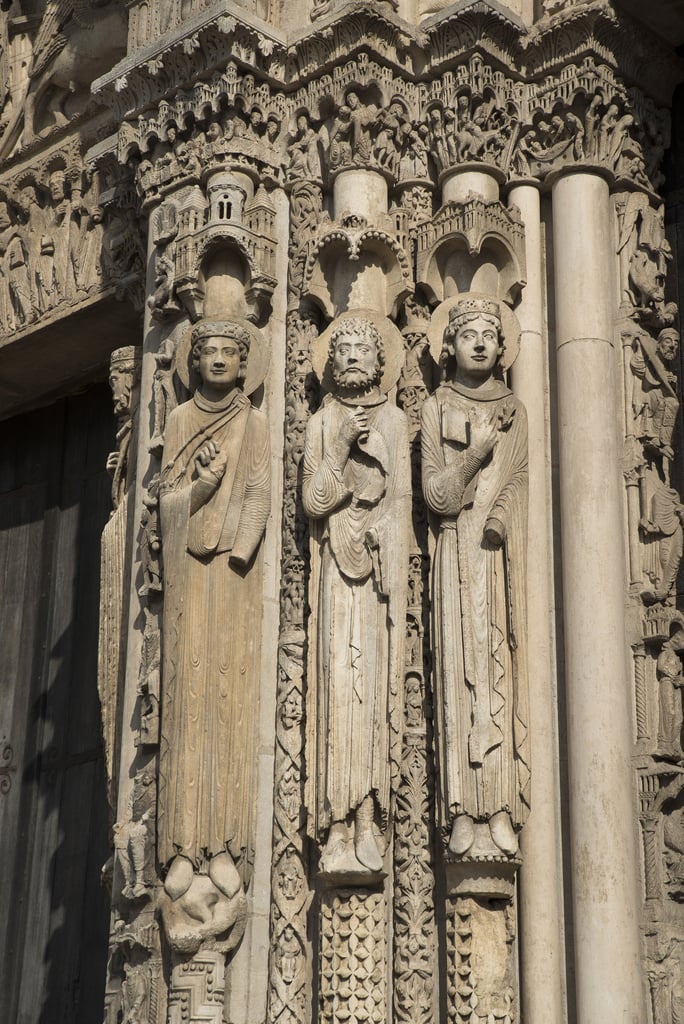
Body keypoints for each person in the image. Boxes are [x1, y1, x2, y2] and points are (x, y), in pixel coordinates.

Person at [158, 319, 270, 896]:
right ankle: (180, 848)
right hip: (188, 578)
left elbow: (258, 491)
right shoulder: (179, 421)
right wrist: (200, 489)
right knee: (186, 703)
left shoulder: (253, 424)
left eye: (231, 350)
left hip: (233, 579)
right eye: (209, 351)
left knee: (227, 705)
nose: (220, 359)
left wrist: (241, 553)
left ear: (245, 363)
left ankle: (225, 844)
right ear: (194, 361)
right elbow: (163, 505)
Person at [421, 296, 529, 858]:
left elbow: (519, 480)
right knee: (461, 675)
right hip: (453, 555)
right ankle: (463, 809)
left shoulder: (516, 411)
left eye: (490, 332)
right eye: (468, 335)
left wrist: (503, 518)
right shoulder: (435, 408)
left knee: (499, 671)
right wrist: (474, 454)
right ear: (449, 346)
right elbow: (437, 495)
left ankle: (503, 805)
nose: (481, 342)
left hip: (494, 557)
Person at [303, 316, 410, 877]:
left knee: (370, 697)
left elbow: (403, 507)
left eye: (361, 347)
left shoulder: (394, 421)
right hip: (335, 587)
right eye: (340, 347)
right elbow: (315, 501)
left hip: (375, 587)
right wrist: (342, 442)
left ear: (379, 360)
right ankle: (337, 825)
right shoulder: (321, 422)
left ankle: (368, 816)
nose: (350, 356)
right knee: (339, 692)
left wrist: (383, 534)